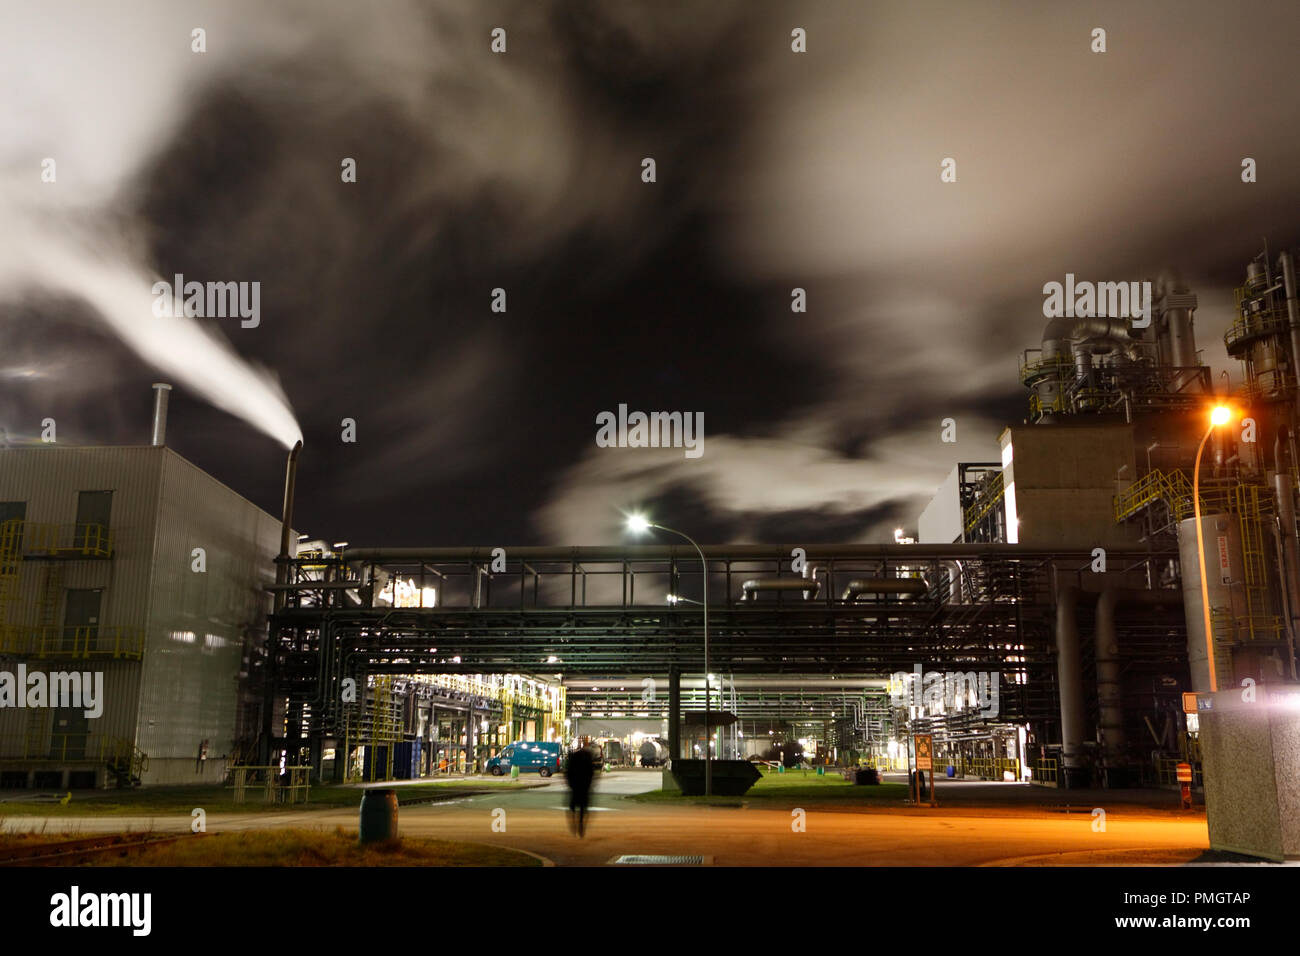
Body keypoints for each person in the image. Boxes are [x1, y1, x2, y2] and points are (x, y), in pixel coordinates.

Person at [565, 746, 595, 836]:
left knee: (572, 808)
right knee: (582, 808)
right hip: (584, 787)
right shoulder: (587, 760)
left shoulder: (574, 759)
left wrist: (570, 784)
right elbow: (591, 774)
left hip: (575, 787)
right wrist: (589, 785)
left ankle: (574, 824)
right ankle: (580, 824)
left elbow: (568, 773)